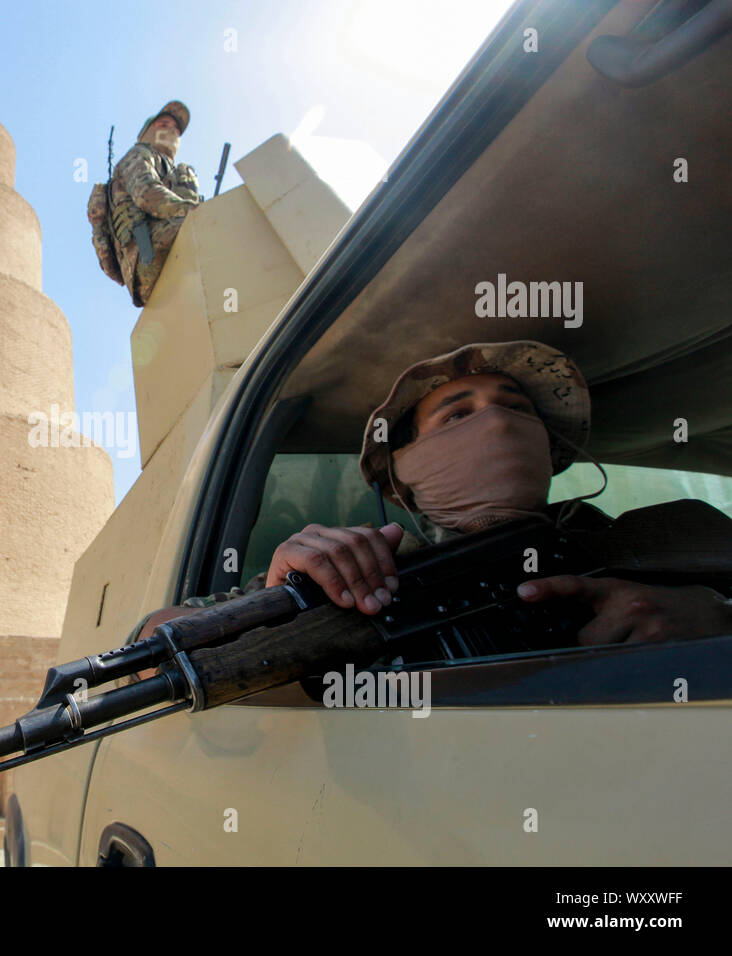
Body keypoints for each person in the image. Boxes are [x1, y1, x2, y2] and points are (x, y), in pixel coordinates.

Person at [138, 340, 732, 647]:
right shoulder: (368, 575)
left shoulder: (664, 539)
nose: (496, 424)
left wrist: (716, 616)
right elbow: (149, 642)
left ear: (551, 457)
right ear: (404, 479)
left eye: (516, 409)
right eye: (457, 415)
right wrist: (278, 600)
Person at [108, 100, 202, 306]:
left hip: (153, 257)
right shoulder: (138, 155)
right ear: (146, 132)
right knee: (218, 226)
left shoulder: (170, 168)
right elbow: (148, 195)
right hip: (146, 254)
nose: (172, 130)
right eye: (163, 124)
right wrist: (199, 212)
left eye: (176, 128)